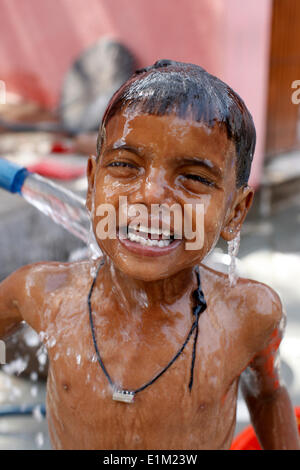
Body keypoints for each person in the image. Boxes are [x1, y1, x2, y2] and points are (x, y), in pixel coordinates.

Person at [0, 60, 299, 450]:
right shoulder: (44, 293)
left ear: (235, 212)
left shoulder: (249, 315)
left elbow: (269, 395)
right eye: (125, 165)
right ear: (92, 185)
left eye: (193, 177)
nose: (151, 196)